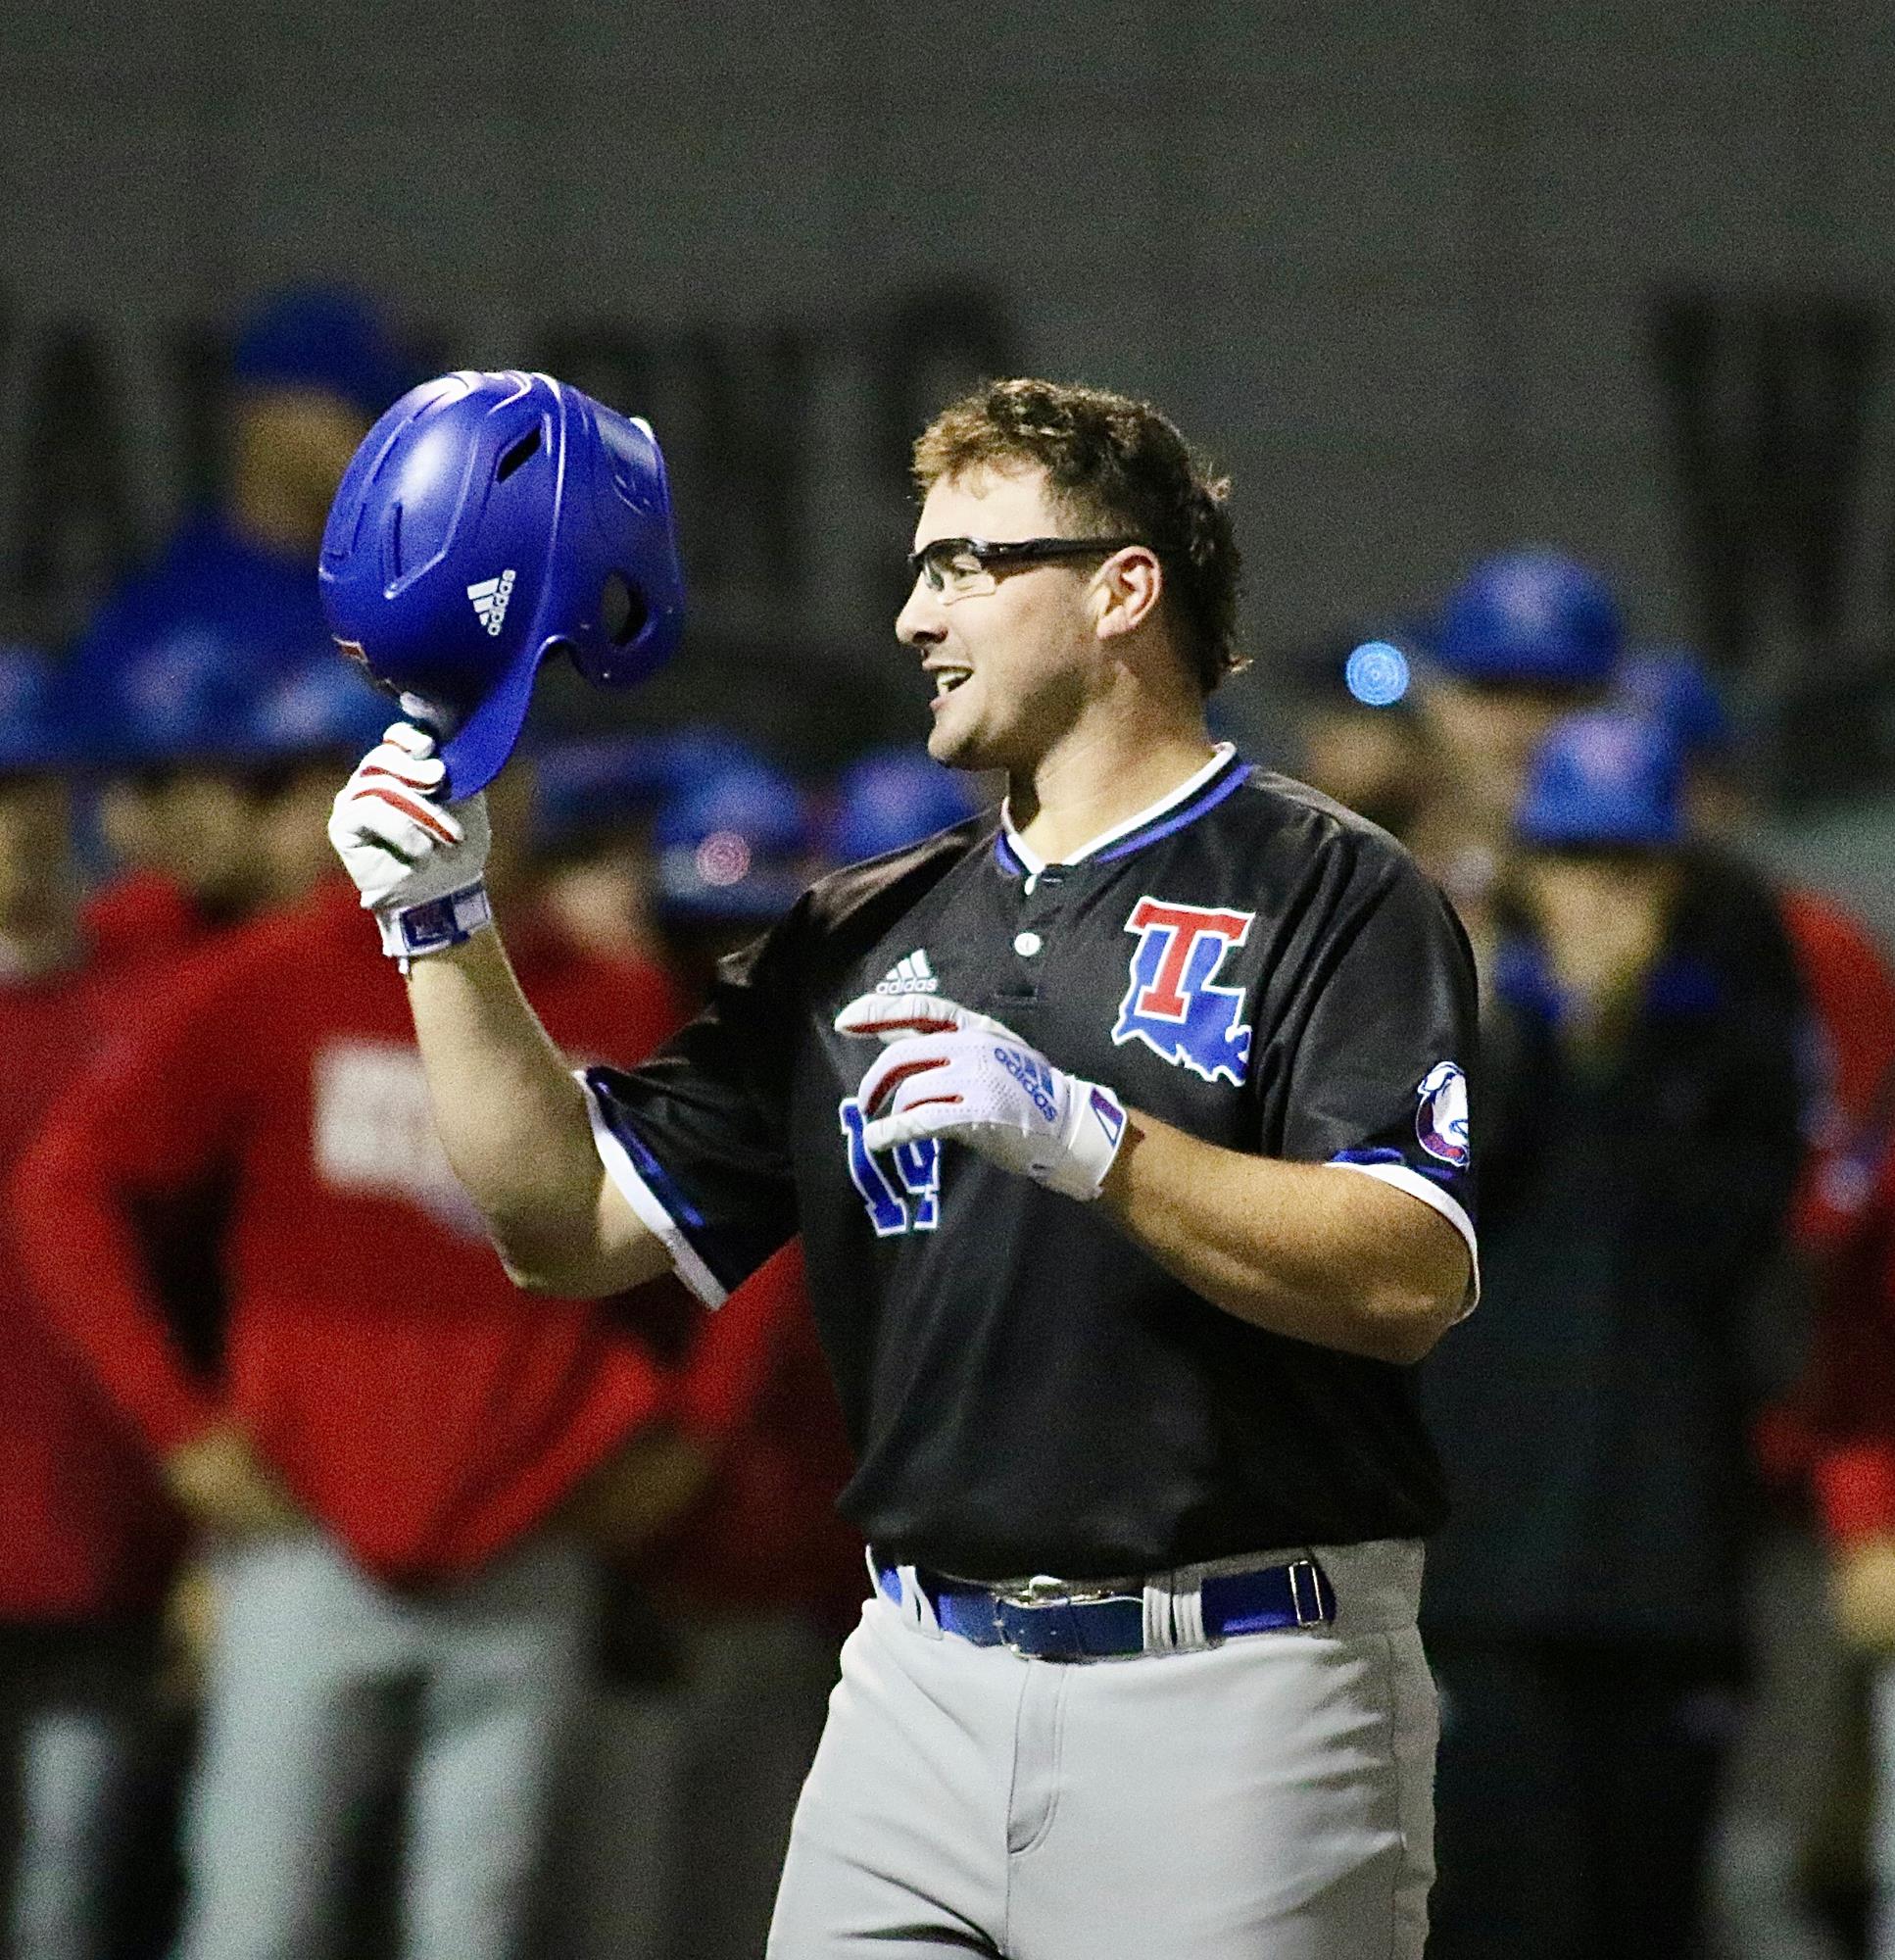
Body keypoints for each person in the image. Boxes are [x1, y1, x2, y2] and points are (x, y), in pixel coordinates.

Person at [327, 374, 1478, 1959]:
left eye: (960, 566)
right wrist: (442, 936)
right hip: (912, 1677)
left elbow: (1408, 1271)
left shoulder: (1329, 886)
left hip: (1237, 1681)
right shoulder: (854, 930)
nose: (910, 615)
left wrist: (1093, 1144)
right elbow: (565, 1225)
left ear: (1116, 587)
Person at [11, 691, 700, 1960]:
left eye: (498, 769)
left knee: (474, 1934)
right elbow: (68, 1193)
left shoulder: (611, 999)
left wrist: (684, 1432)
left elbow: (749, 1225)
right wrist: (180, 1433)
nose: (469, 800)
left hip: (524, 1543)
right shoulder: (270, 979)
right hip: (304, 1544)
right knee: (256, 1926)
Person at [1420, 709, 1806, 1960]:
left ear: (1674, 875)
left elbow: (1725, 1252)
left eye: (1627, 863)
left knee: (1648, 1920)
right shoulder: (1467, 1033)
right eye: (1575, 859)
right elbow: (1441, 1223)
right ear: (1528, 868)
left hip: (1667, 1571)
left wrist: (1627, 1044)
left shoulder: (1730, 1044)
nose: (1600, 894)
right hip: (1486, 1579)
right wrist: (1551, 1033)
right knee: (1500, 1924)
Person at [553, 753, 864, 1960]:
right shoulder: (626, 1062)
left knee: (763, 1917)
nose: (730, 966)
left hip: (799, 1583)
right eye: (704, 931)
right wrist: (645, 1452)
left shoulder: (849, 1073)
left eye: (759, 933)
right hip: (625, 1564)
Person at [0, 648, 184, 1960]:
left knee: (67, 1906)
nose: (13, 822)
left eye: (29, 786)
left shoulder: (149, 1005)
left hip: (101, 1544)